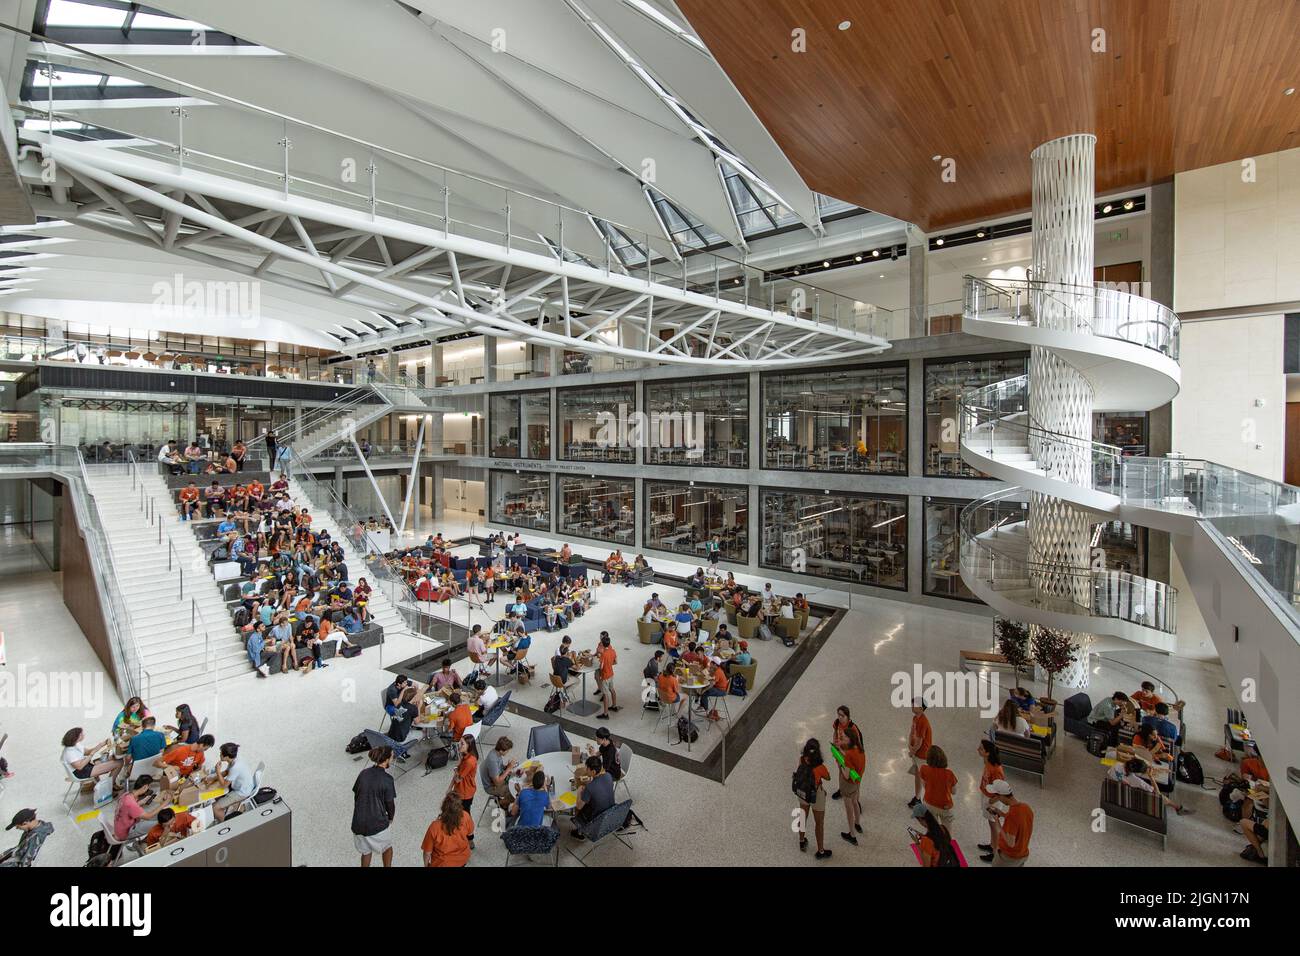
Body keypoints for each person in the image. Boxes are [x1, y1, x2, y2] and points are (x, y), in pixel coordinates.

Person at [352, 746, 397, 867]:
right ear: (386, 760)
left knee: (366, 852)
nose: (393, 758)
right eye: (392, 756)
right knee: (387, 848)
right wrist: (390, 817)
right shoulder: (387, 779)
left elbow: (356, 795)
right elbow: (390, 804)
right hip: (376, 824)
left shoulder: (363, 774)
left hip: (358, 823)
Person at [1108, 756, 1194, 815]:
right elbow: (1158, 795)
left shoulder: (1116, 765)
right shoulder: (1137, 781)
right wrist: (1151, 776)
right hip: (1133, 801)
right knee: (1162, 797)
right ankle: (1177, 807)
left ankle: (1177, 807)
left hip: (1115, 793)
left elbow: (1111, 774)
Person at [793, 738, 831, 859]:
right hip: (816, 795)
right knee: (819, 823)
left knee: (803, 817)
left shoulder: (801, 759)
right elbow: (828, 777)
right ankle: (820, 851)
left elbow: (799, 771)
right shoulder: (820, 767)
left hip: (803, 792)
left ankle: (802, 841)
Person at [422, 789, 475, 867]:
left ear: (443, 807)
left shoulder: (435, 827)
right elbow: (470, 833)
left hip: (443, 863)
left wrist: (426, 865)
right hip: (462, 859)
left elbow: (427, 852)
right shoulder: (466, 816)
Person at [985, 779, 1032, 866]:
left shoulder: (1012, 815)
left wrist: (997, 822)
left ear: (1002, 796)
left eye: (997, 796)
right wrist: (1002, 814)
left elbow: (1010, 843)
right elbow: (1018, 822)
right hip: (1023, 855)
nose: (998, 799)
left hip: (1008, 858)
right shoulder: (1026, 808)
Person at [834, 722, 866, 845]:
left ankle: (852, 834)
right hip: (857, 781)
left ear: (850, 739)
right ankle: (858, 824)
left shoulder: (849, 756)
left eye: (844, 738)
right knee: (855, 802)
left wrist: (839, 763)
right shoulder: (859, 749)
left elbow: (846, 774)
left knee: (849, 809)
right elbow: (851, 757)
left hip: (847, 784)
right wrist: (841, 751)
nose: (842, 739)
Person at [211, 742, 257, 822]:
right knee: (215, 790)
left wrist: (217, 771)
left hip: (242, 792)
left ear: (227, 756)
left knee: (215, 807)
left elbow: (224, 785)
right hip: (243, 785)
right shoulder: (234, 759)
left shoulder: (235, 767)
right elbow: (226, 772)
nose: (219, 755)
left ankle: (225, 825)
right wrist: (213, 778)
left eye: (221, 754)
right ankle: (225, 807)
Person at [572, 754, 614, 839]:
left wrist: (579, 791)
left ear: (593, 772)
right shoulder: (608, 775)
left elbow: (579, 806)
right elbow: (602, 788)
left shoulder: (589, 787)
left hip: (597, 819)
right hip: (611, 813)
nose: (586, 770)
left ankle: (580, 832)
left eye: (587, 769)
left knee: (578, 808)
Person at [977, 739, 1006, 857]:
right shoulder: (987, 762)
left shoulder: (996, 770)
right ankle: (992, 844)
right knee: (990, 823)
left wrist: (990, 803)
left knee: (994, 825)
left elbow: (1000, 793)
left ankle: (995, 851)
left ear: (987, 753)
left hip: (992, 801)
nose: (978, 749)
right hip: (986, 795)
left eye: (981, 748)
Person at [114, 776, 165, 842]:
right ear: (144, 787)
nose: (148, 789)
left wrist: (141, 802)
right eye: (148, 787)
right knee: (162, 823)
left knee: (154, 815)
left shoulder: (126, 795)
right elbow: (148, 816)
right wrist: (164, 803)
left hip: (119, 828)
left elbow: (127, 809)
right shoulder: (131, 803)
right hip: (126, 832)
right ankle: (138, 842)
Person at [918, 745, 957, 830]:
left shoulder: (924, 769)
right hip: (945, 805)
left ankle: (933, 842)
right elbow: (954, 792)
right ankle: (947, 842)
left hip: (929, 802)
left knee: (932, 830)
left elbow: (924, 785)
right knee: (948, 831)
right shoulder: (949, 773)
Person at [480, 736, 517, 812]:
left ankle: (505, 803)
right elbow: (497, 782)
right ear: (501, 750)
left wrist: (506, 767)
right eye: (507, 751)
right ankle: (500, 803)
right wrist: (509, 769)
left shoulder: (496, 752)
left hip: (497, 778)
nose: (508, 752)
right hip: (492, 786)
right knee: (514, 791)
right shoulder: (492, 760)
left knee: (516, 778)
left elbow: (499, 767)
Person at [907, 697, 932, 806]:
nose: (912, 705)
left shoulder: (923, 722)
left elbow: (920, 742)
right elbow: (912, 732)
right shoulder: (915, 718)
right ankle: (917, 797)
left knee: (922, 777)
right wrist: (909, 744)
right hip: (916, 752)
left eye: (915, 705)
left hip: (922, 754)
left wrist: (912, 751)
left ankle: (928, 799)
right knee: (918, 775)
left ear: (921, 708)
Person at [384, 675, 420, 743]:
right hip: (391, 706)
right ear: (399, 684)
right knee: (407, 711)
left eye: (406, 682)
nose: (407, 684)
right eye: (405, 683)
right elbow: (397, 704)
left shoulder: (404, 682)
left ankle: (406, 722)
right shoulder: (392, 690)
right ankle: (405, 724)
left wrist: (415, 692)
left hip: (402, 702)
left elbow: (416, 685)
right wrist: (404, 690)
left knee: (408, 710)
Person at [594, 632, 619, 719]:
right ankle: (614, 706)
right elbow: (615, 662)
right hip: (611, 674)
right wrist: (609, 664)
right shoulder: (613, 651)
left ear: (603, 645)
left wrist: (601, 671)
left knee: (605, 694)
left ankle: (605, 714)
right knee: (612, 689)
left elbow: (601, 667)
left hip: (605, 675)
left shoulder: (604, 654)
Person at [452, 734, 478, 813]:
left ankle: (468, 825)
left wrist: (456, 770)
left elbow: (457, 779)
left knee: (465, 814)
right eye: (460, 742)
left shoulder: (469, 762)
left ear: (469, 746)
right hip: (464, 790)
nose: (459, 745)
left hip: (465, 792)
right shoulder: (467, 756)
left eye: (462, 743)